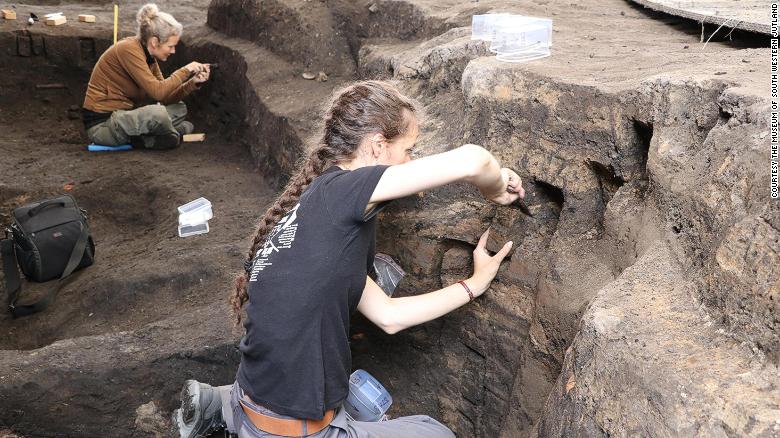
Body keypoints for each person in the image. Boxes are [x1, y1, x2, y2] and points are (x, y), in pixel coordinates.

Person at [173, 81, 525, 438]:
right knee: (437, 434)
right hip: (291, 430)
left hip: (251, 397)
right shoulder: (347, 191)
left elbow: (389, 316)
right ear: (377, 145)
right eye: (408, 149)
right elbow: (474, 160)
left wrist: (474, 284)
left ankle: (219, 406)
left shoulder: (318, 201)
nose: (410, 161)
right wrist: (496, 188)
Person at [81, 3, 210, 150]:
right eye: (170, 46)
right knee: (158, 113)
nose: (173, 51)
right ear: (155, 42)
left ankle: (165, 134)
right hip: (103, 126)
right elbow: (157, 91)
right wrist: (185, 70)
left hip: (124, 118)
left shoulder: (149, 57)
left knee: (179, 108)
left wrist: (192, 82)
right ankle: (159, 137)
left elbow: (165, 97)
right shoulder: (128, 50)